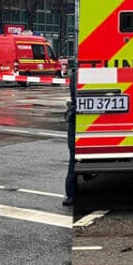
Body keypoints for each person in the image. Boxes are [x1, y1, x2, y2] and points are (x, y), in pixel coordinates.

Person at [63, 59, 77, 207]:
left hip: (78, 121)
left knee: (74, 159)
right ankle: (71, 194)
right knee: (74, 158)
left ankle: (71, 194)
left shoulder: (76, 74)